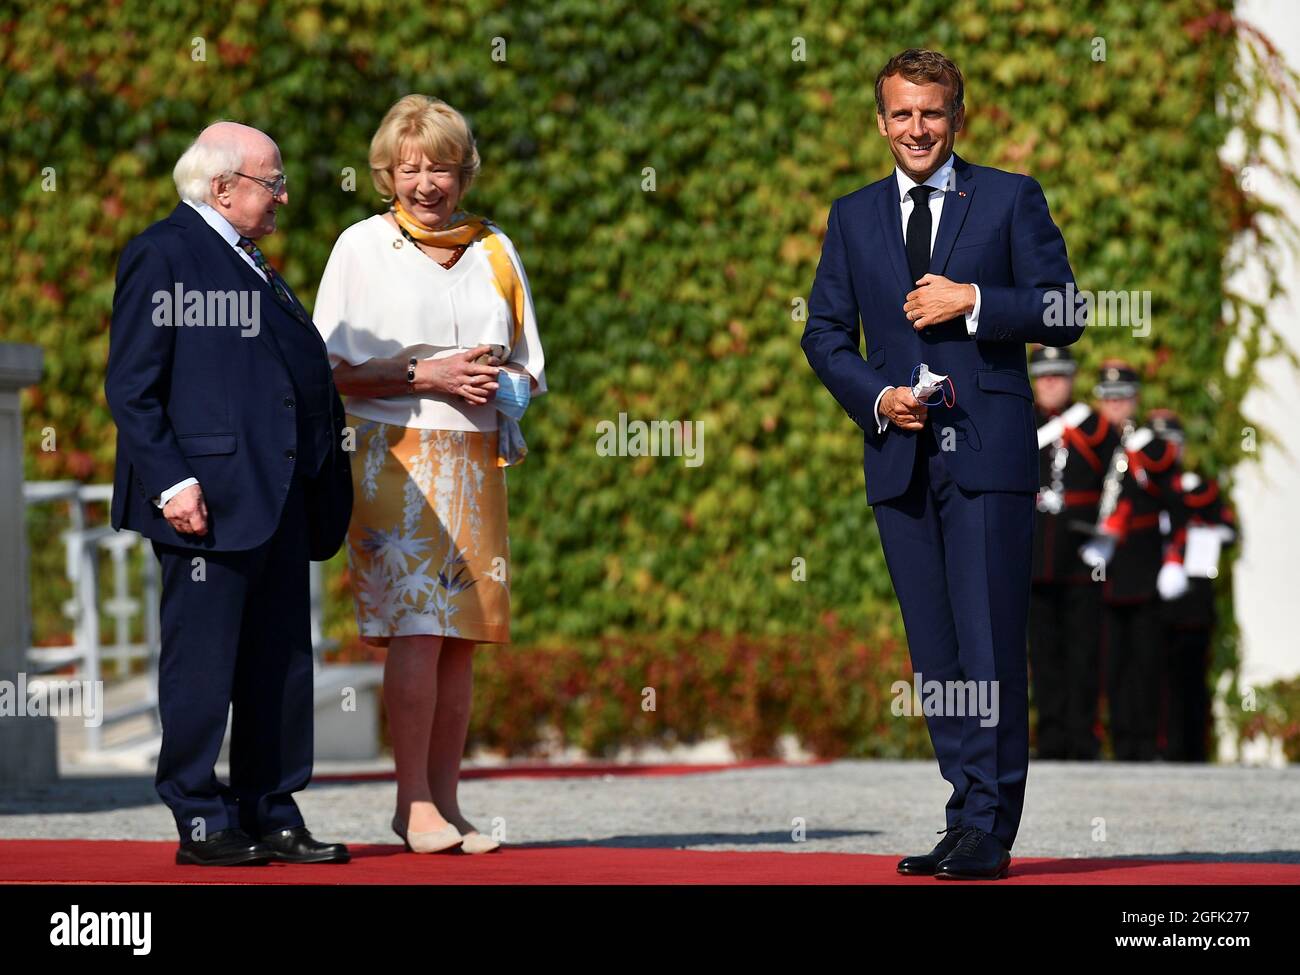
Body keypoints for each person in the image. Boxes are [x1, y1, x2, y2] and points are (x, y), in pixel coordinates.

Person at [801, 49, 1086, 880]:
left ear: (958, 115)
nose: (916, 128)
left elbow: (1065, 308)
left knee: (991, 643)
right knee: (936, 653)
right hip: (900, 456)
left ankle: (991, 827)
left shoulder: (1008, 196)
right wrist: (878, 397)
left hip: (989, 456)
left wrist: (977, 301)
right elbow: (823, 335)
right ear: (880, 121)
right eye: (901, 114)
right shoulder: (852, 216)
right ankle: (964, 814)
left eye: (932, 112)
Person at [105, 122, 353, 866]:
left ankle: (271, 807)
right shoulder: (165, 250)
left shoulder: (250, 260)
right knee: (204, 665)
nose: (282, 196)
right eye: (272, 182)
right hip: (204, 501)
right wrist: (172, 481)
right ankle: (201, 816)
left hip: (275, 494)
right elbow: (132, 386)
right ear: (223, 187)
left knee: (280, 663)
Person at [313, 94, 545, 855]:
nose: (424, 182)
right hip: (393, 457)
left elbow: (530, 366)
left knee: (459, 640)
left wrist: (501, 383)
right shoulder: (359, 246)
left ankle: (446, 800)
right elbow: (326, 372)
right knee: (416, 630)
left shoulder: (496, 249)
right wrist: (426, 374)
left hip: (477, 458)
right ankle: (411, 802)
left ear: (463, 171)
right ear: (385, 172)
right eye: (409, 168)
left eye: (439, 166)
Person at [1078, 363, 1187, 761]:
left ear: (1135, 400)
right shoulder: (1091, 441)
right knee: (1109, 663)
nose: (1114, 406)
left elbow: (1176, 506)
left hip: (1141, 569)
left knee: (1146, 660)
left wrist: (1174, 558)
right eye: (1107, 399)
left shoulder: (1152, 448)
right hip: (1097, 571)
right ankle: (1117, 740)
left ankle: (1146, 742)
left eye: (1121, 398)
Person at [1027, 346, 1119, 761]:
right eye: (1044, 375)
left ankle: (1083, 739)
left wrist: (1107, 538)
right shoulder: (1020, 421)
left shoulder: (1097, 427)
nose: (1050, 382)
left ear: (1071, 378)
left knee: (1084, 652)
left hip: (1082, 559)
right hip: (1032, 557)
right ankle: (1050, 739)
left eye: (1059, 375)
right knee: (1041, 654)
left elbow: (1118, 488)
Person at [1147, 410, 1237, 762]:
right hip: (1152, 601)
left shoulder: (1200, 489)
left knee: (1191, 680)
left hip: (1192, 603)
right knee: (1151, 676)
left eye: (1172, 444)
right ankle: (1154, 747)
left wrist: (1187, 550)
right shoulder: (1145, 487)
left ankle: (1191, 751)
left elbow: (1227, 531)